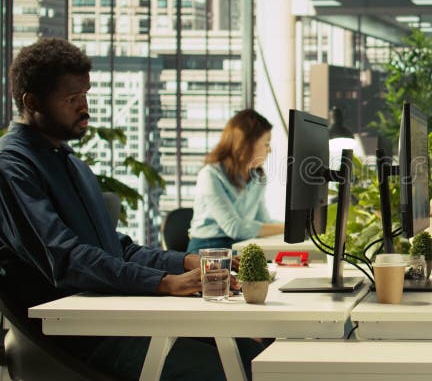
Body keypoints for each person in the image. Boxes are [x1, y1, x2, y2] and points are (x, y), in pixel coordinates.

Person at [0, 37, 265, 380]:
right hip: (80, 336)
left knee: (252, 354)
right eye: (71, 99)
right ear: (32, 102)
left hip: (116, 315)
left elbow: (115, 248)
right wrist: (164, 283)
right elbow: (65, 258)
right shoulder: (12, 167)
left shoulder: (69, 163)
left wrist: (184, 262)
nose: (85, 108)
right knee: (225, 371)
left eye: (86, 95)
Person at [187, 108, 283, 253]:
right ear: (246, 143)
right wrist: (289, 228)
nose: (269, 150)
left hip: (241, 245)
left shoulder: (258, 177)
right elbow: (234, 227)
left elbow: (263, 221)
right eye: (266, 143)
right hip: (207, 250)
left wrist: (298, 226)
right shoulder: (210, 175)